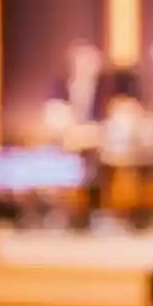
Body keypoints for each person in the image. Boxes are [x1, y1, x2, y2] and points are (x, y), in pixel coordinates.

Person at [44, 41, 115, 217]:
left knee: (97, 160)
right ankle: (63, 212)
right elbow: (54, 115)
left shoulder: (106, 88)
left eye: (91, 62)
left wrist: (92, 133)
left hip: (98, 144)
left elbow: (110, 120)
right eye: (82, 61)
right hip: (69, 142)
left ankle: (97, 211)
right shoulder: (60, 86)